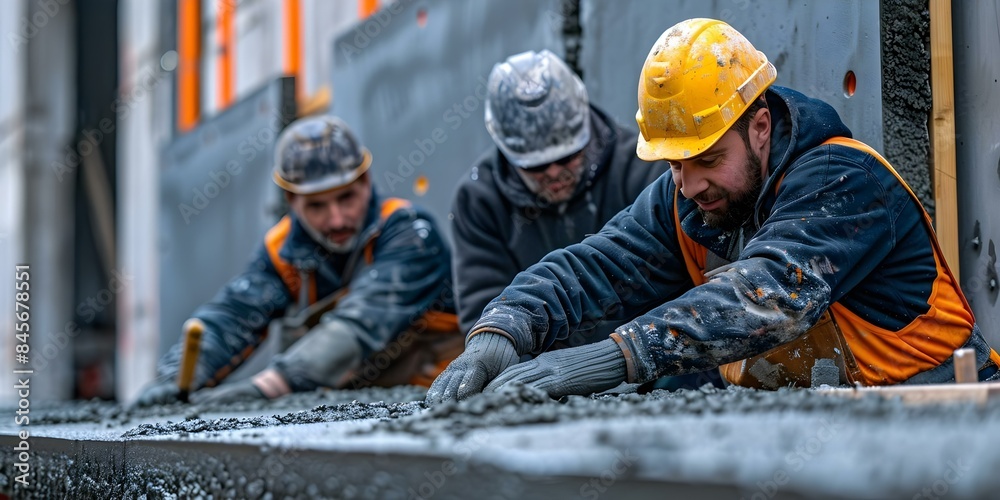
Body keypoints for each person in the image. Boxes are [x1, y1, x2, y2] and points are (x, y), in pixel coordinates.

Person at [426, 18, 1000, 403]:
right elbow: (593, 265)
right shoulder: (689, 199)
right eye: (674, 164)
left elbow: (766, 295)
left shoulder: (846, 181)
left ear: (759, 126)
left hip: (948, 417)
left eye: (706, 158)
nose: (689, 183)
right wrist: (504, 327)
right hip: (828, 438)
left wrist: (614, 358)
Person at [136, 115, 461, 406]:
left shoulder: (410, 233)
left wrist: (270, 386)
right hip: (356, 413)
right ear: (292, 200)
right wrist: (176, 378)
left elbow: (361, 322)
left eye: (346, 197)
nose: (336, 220)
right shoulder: (282, 250)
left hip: (442, 402)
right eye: (316, 206)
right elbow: (233, 316)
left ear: (366, 181)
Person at [451, 49, 670, 344]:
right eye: (536, 165)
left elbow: (675, 286)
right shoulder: (479, 201)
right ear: (507, 150)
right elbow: (483, 308)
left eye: (567, 157)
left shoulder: (643, 171)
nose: (554, 173)